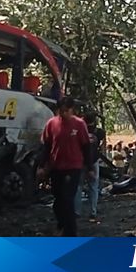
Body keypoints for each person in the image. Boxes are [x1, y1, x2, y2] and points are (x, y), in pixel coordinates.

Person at [38, 97, 90, 236]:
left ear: (72, 110)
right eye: (61, 111)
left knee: (68, 198)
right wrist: (42, 166)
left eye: (66, 111)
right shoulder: (51, 124)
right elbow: (46, 146)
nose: (63, 114)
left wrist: (89, 167)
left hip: (73, 166)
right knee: (58, 199)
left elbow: (86, 146)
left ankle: (71, 232)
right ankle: (61, 223)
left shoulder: (79, 125)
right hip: (56, 167)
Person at [75, 111, 106, 223]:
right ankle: (93, 212)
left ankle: (77, 212)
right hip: (93, 162)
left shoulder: (79, 131)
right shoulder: (99, 132)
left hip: (80, 162)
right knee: (94, 188)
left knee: (78, 187)